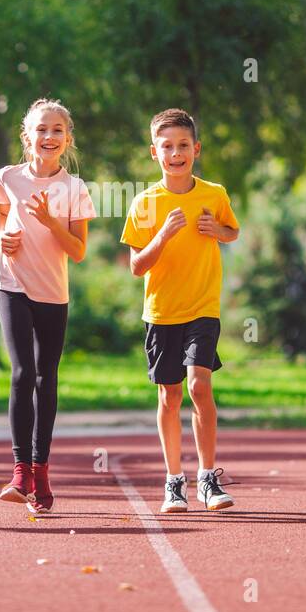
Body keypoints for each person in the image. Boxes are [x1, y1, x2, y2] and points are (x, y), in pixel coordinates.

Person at [121, 108, 240, 513]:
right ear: (154, 152)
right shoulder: (145, 203)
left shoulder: (215, 194)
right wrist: (164, 235)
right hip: (161, 312)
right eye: (167, 146)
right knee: (170, 397)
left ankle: (208, 477)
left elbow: (232, 230)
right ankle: (175, 481)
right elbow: (138, 265)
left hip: (202, 306)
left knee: (198, 386)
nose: (176, 153)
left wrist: (217, 232)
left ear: (196, 149)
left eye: (183, 145)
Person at [0, 98, 96, 513]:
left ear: (67, 139)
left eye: (56, 130)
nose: (48, 136)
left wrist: (52, 222)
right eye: (41, 129)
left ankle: (42, 468)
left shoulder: (74, 189)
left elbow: (79, 250)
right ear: (26, 136)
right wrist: (0, 237)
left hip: (52, 290)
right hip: (10, 282)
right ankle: (20, 470)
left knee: (44, 378)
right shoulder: (8, 177)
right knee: (21, 372)